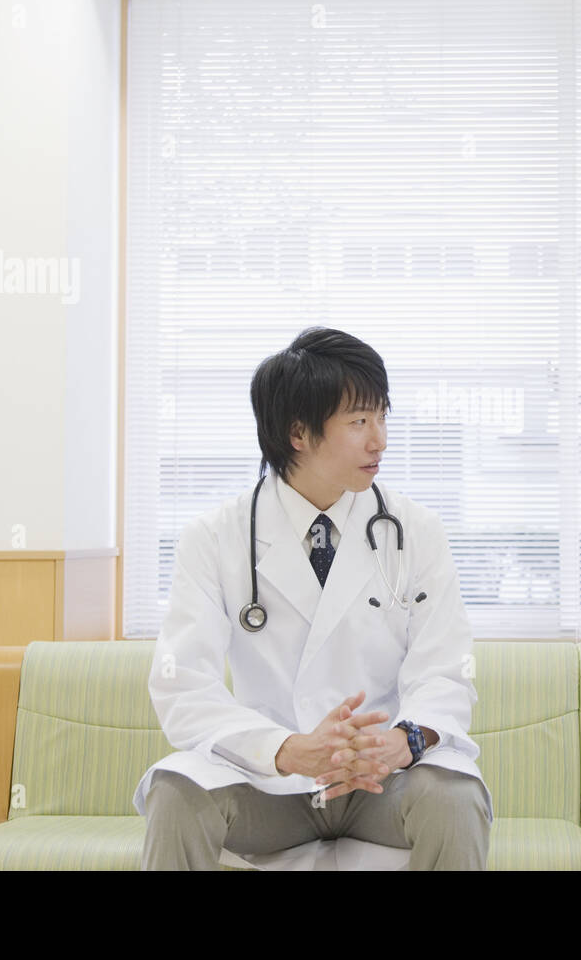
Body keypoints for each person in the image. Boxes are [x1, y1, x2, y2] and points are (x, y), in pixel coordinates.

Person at [133, 327, 492, 870]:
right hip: (269, 782)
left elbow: (445, 671)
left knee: (455, 795)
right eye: (359, 422)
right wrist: (284, 750)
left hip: (381, 780)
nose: (380, 440)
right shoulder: (214, 538)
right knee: (176, 790)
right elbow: (182, 684)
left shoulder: (416, 531)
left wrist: (404, 741)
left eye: (382, 417)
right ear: (298, 433)